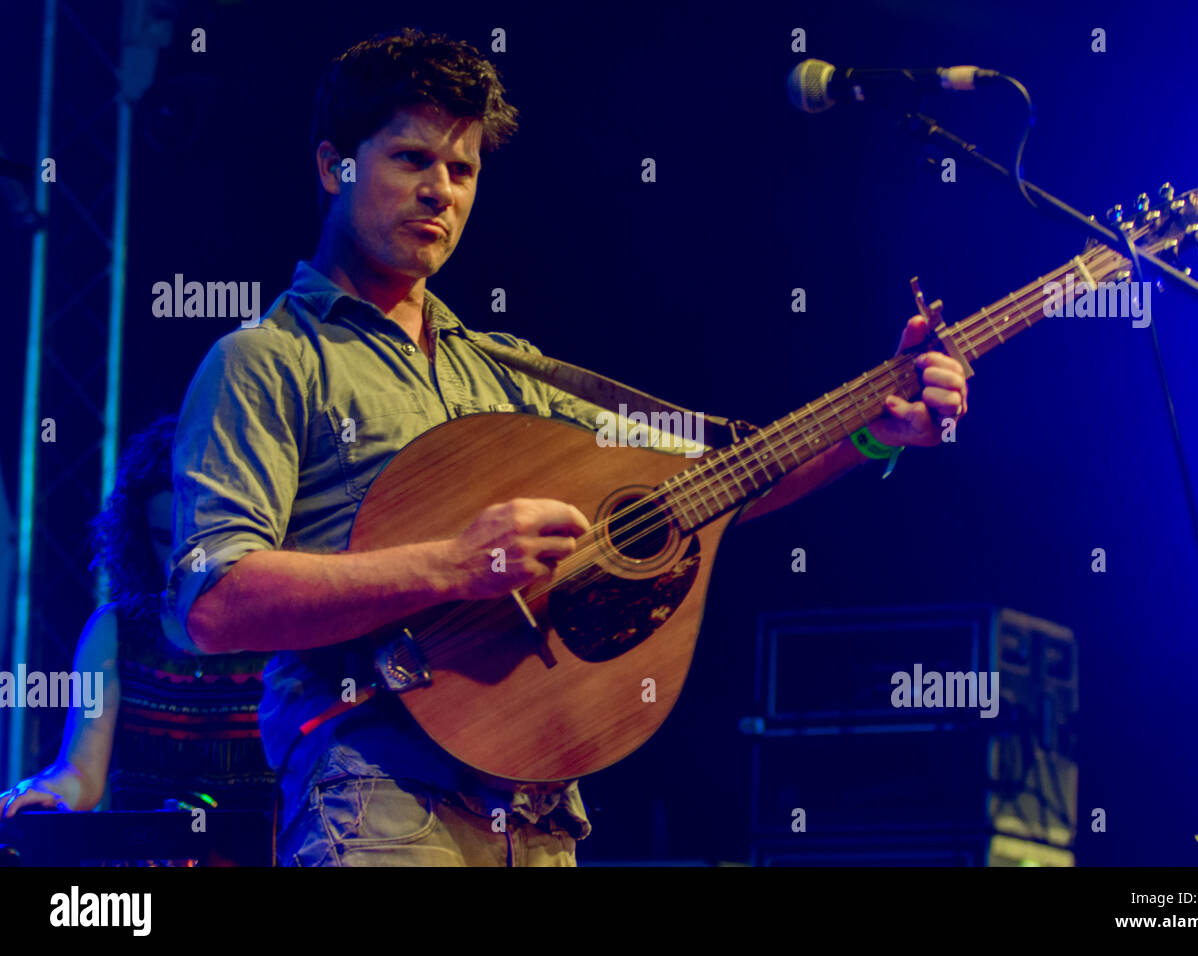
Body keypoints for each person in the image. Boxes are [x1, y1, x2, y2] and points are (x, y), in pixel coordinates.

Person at [164, 28, 969, 866]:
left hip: (542, 811)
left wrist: (873, 431)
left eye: (463, 170)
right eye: (410, 160)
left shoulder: (508, 370)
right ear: (336, 168)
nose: (440, 191)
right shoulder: (266, 359)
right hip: (380, 796)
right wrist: (453, 565)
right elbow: (210, 604)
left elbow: (718, 485)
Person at [0, 415, 274, 819]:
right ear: (141, 536)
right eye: (164, 538)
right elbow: (79, 773)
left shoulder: (284, 632)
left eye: (197, 539)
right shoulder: (114, 631)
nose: (181, 559)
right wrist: (46, 789)